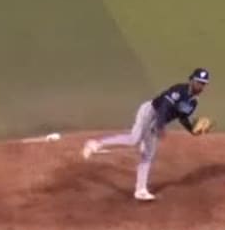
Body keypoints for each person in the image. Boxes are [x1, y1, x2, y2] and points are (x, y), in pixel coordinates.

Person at [82, 69, 212, 202]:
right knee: (134, 139)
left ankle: (140, 190)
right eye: (198, 82)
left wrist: (191, 130)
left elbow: (182, 118)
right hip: (149, 113)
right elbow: (164, 106)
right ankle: (96, 144)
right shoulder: (179, 90)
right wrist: (160, 125)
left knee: (148, 155)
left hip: (157, 122)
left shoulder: (193, 103)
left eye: (203, 83)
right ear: (191, 80)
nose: (200, 86)